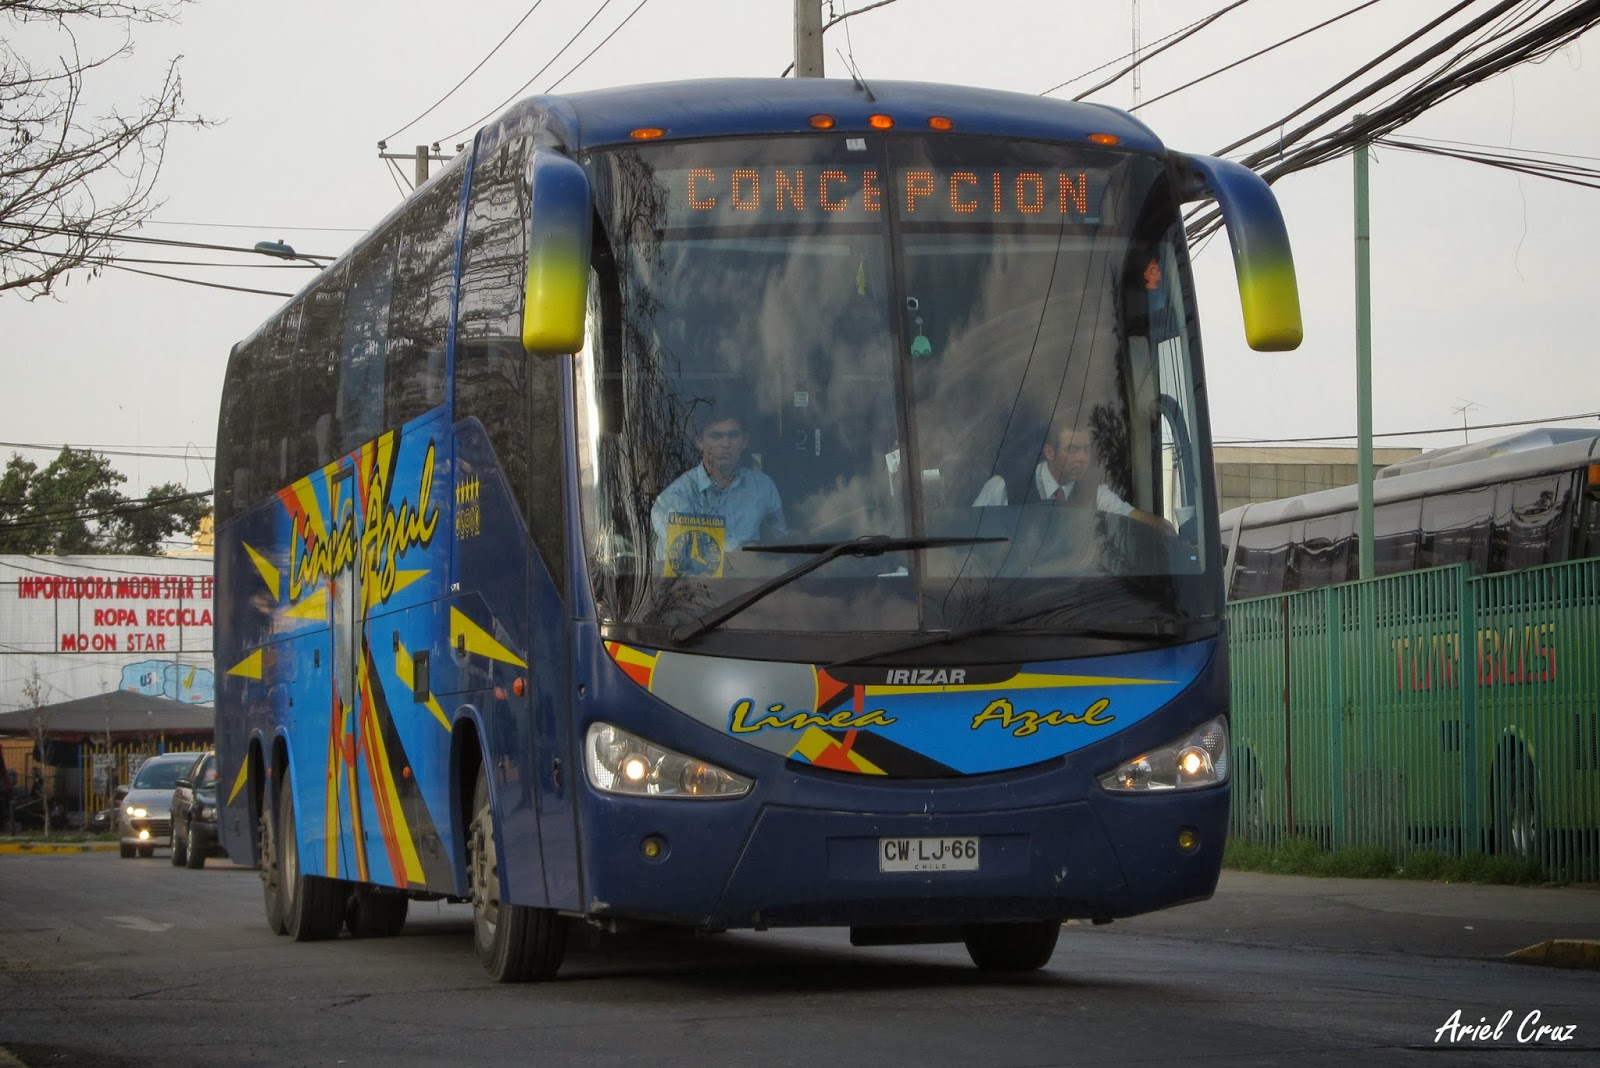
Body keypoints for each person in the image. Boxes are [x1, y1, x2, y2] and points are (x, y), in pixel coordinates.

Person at [973, 418, 1174, 533]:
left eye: (1086, 450)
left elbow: (1132, 517)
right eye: (1073, 450)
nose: (1083, 458)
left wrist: (1166, 530)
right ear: (1050, 452)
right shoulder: (1002, 486)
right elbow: (970, 542)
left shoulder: (1095, 494)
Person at [651, 404, 787, 573]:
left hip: (760, 589)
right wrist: (739, 557)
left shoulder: (763, 488)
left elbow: (781, 551)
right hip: (700, 595)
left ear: (745, 441)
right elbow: (677, 570)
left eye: (733, 435)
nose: (725, 443)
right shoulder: (675, 498)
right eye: (716, 436)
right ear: (699, 441)